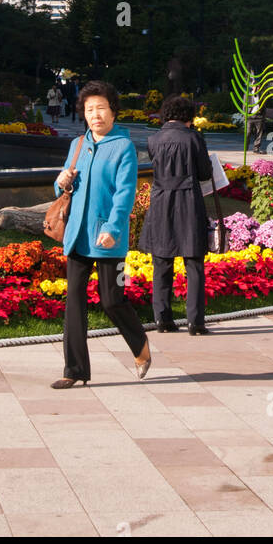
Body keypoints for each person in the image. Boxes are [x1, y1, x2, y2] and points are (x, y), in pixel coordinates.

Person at [51, 80, 150, 388]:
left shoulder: (124, 147)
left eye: (101, 109)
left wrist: (112, 228)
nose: (95, 115)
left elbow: (125, 193)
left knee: (112, 300)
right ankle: (74, 370)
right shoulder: (77, 144)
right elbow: (63, 188)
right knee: (75, 303)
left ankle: (141, 347)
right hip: (78, 234)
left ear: (113, 111)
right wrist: (62, 179)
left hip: (108, 237)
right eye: (90, 109)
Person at [140, 94, 214, 335]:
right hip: (189, 200)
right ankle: (195, 321)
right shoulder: (195, 138)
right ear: (189, 116)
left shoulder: (153, 139)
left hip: (161, 200)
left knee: (161, 261)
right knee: (194, 263)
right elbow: (204, 173)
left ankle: (162, 319)